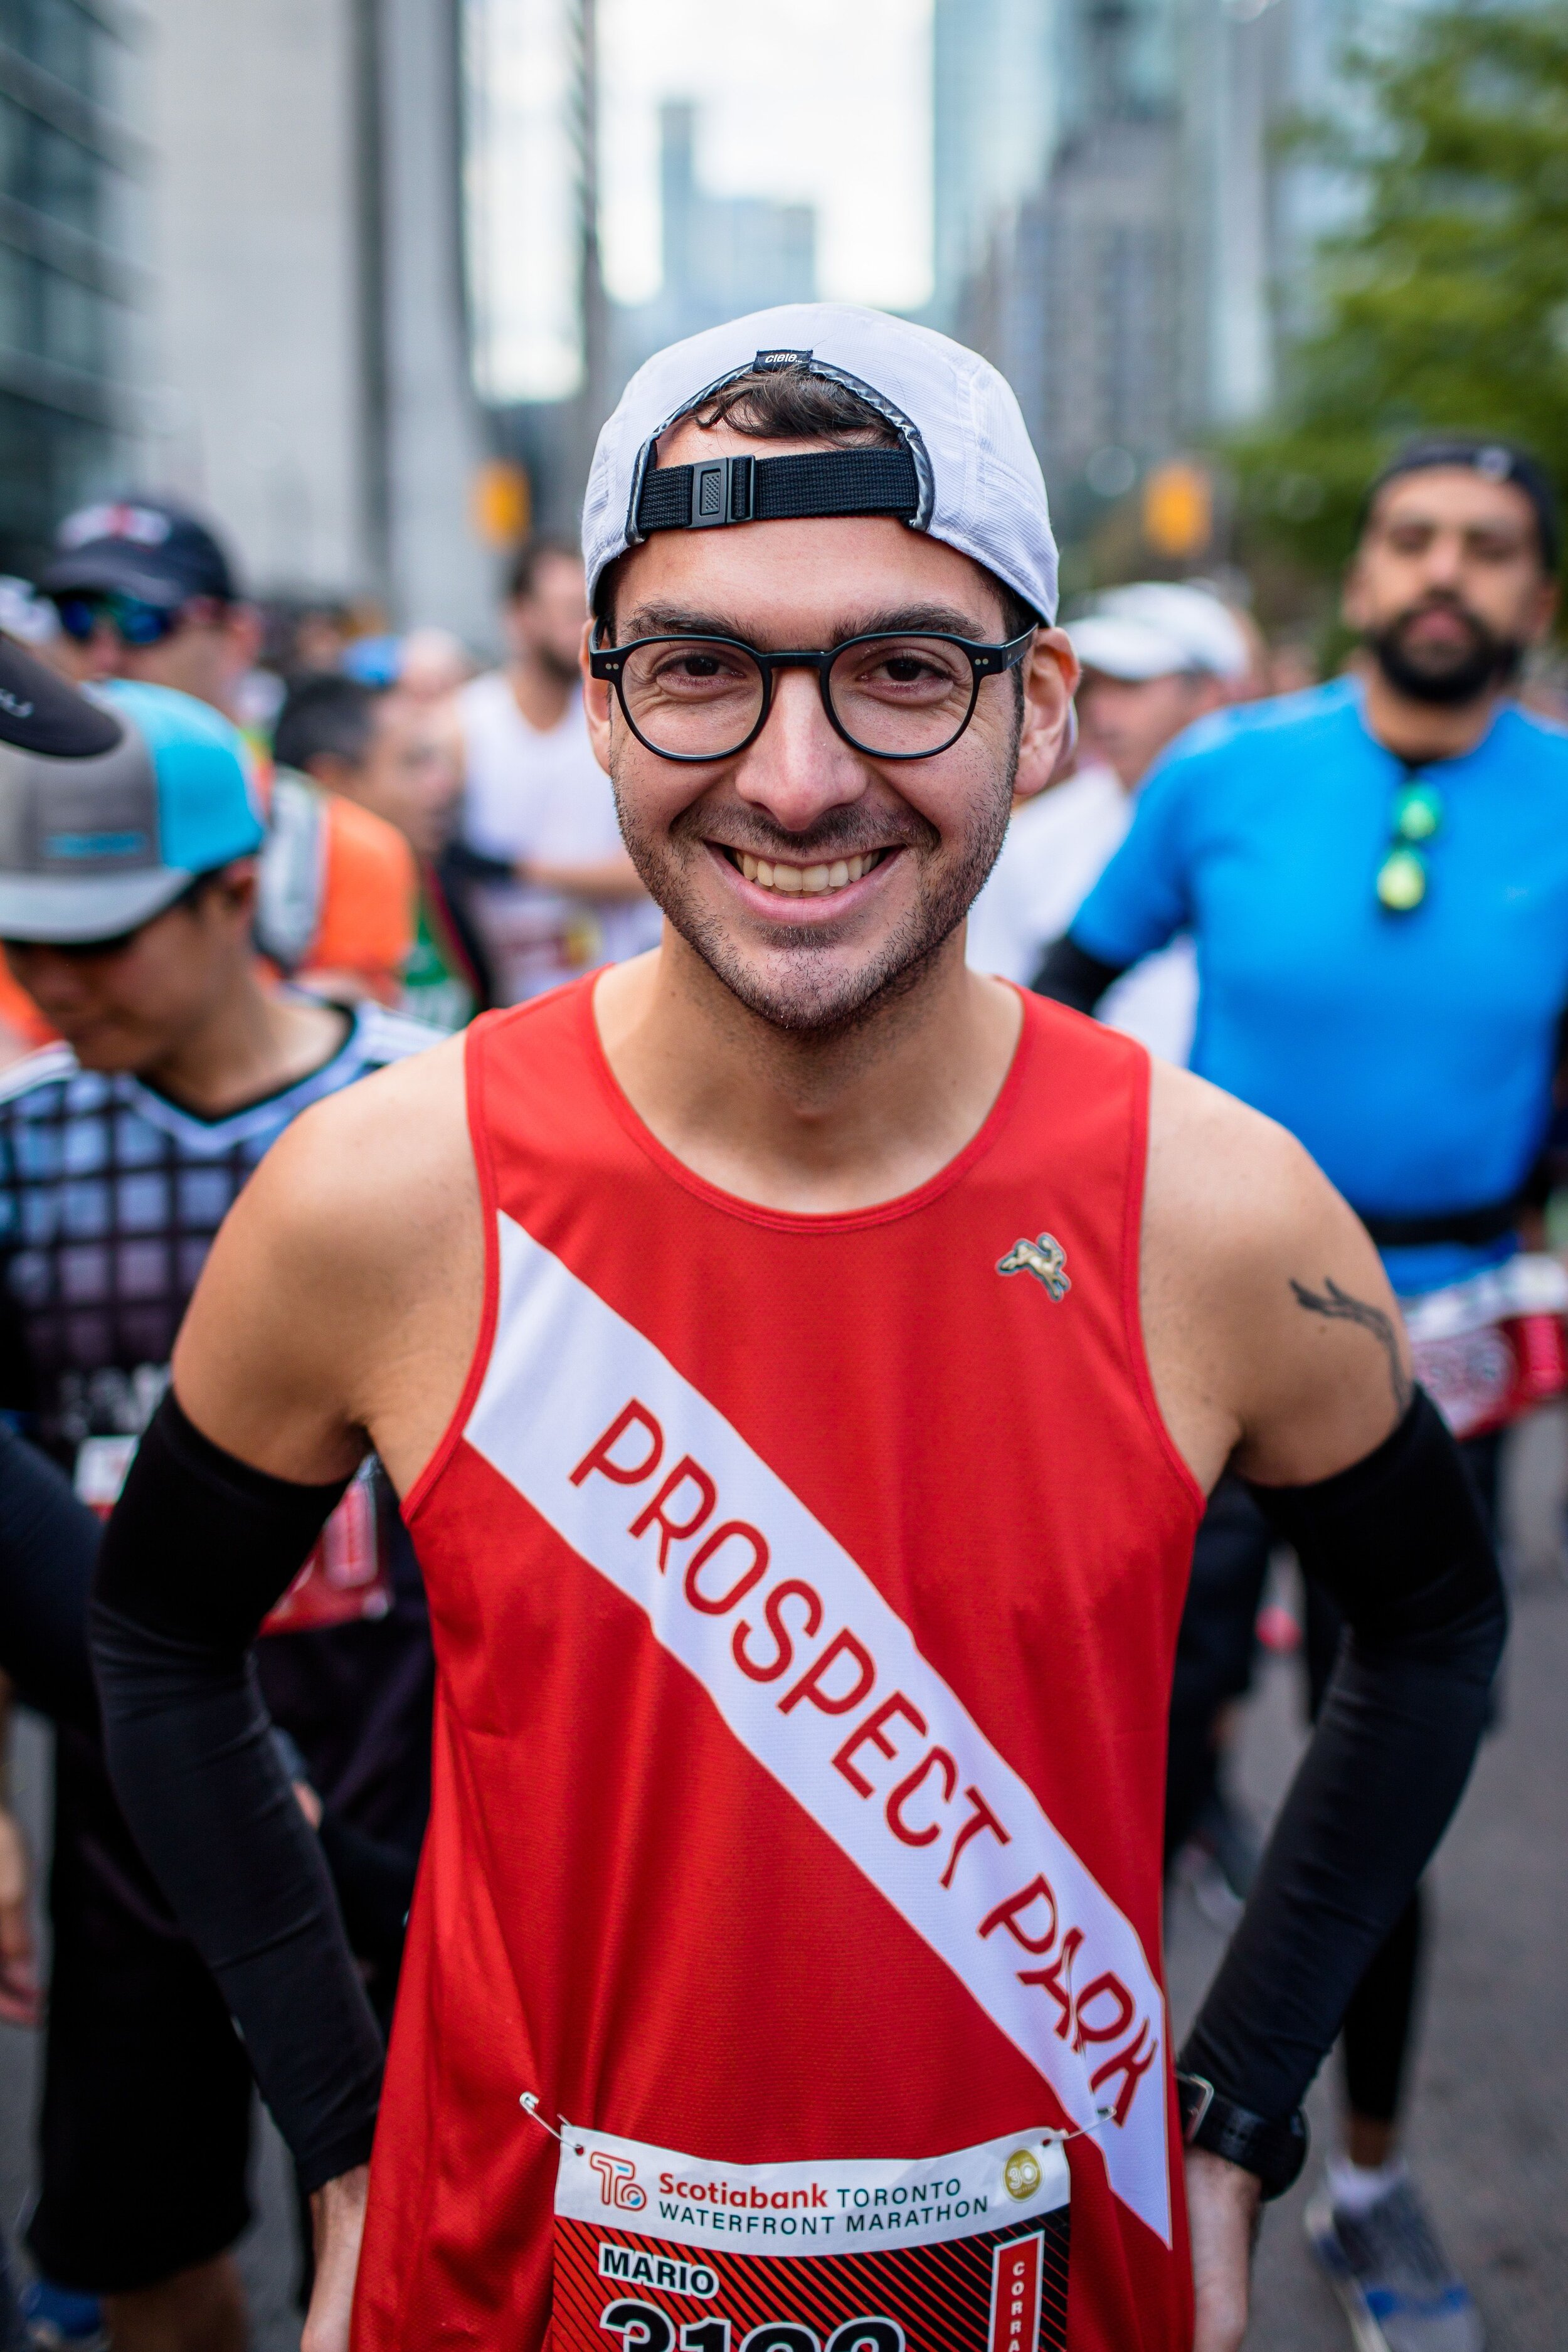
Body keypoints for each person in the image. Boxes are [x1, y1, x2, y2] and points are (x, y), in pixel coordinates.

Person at [90, 312, 1503, 2352]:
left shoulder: (1219, 1214)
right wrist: (338, 2133)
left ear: (1042, 711)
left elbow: (1436, 1627)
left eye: (904, 670)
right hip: (499, 2294)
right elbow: (157, 1636)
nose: (800, 776)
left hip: (1058, 2289)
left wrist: (1234, 2119)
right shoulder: (381, 1197)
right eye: (701, 671)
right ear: (596, 704)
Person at [1039, 434, 1568, 2351]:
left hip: (1432, 1357)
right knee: (1110, 1736)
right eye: (1411, 536)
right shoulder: (1223, 778)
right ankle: (1075, 2134)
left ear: (1530, 593)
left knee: (1380, 1778)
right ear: (1360, 571)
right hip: (1185, 1328)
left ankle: (1350, 2169)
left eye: (1487, 548)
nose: (1443, 572)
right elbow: (1054, 991)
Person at [0, 675, 439, 2350]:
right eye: (21, 935)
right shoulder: (17, 1148)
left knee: (439, 2227)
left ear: (232, 894)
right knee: (142, 2240)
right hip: (134, 1812)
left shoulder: (427, 1123)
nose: (49, 976)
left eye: (98, 935)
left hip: (409, 1781)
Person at [36, 499, 416, 1006]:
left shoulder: (336, 852)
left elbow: (353, 1059)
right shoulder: (18, 837)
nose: (106, 657)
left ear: (239, 638)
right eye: (76, 619)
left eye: (143, 620)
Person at [967, 581, 1251, 1063]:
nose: (1101, 710)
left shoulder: (1288, 829)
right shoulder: (1033, 842)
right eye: (1096, 684)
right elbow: (993, 1024)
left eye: (1132, 684)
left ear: (1210, 694)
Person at [455, 534, 658, 1000]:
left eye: (589, 611)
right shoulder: (465, 724)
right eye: (568, 612)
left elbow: (652, 869)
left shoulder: (616, 716)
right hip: (502, 1000)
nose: (584, 628)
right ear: (520, 618)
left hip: (608, 992)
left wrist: (519, 869)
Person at [273, 673, 490, 1032]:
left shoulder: (445, 882)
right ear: (333, 784)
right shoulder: (283, 939)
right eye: (413, 763)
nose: (444, 785)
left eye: (436, 761)